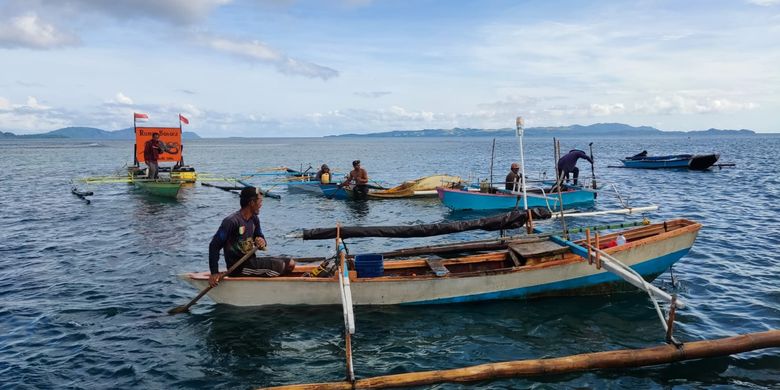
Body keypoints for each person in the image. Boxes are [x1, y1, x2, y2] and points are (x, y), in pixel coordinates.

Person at [208, 187, 294, 287]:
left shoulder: (254, 219)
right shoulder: (231, 221)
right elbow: (214, 246)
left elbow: (261, 239)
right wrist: (214, 273)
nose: (261, 205)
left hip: (251, 262)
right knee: (280, 265)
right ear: (252, 203)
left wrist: (261, 241)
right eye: (260, 201)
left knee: (291, 263)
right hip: (239, 268)